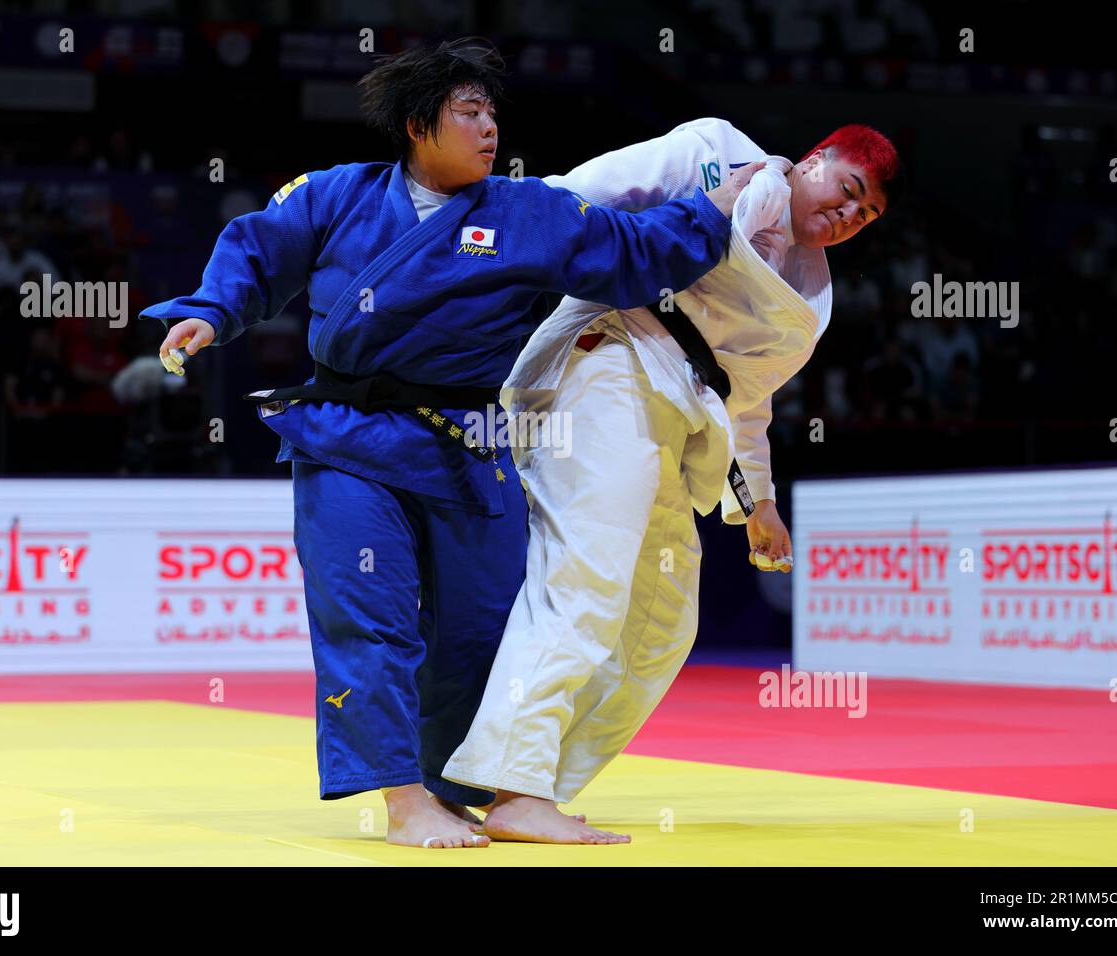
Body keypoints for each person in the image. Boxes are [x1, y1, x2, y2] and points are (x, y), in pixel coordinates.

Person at [140, 42, 753, 849]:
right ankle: (402, 800)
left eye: (493, 111)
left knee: (483, 627)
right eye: (469, 112)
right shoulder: (335, 195)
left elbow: (633, 253)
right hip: (350, 439)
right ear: (415, 125)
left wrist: (715, 209)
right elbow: (256, 251)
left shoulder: (528, 211)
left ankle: (456, 787)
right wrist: (213, 312)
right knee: (372, 617)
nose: (490, 126)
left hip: (471, 444)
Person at [443, 118, 903, 843]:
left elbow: (746, 400)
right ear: (813, 161)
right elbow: (582, 193)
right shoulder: (717, 155)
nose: (850, 215)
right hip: (611, 357)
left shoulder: (814, 301)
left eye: (866, 213)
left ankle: (534, 780)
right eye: (848, 189)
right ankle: (515, 785)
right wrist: (484, 250)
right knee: (586, 578)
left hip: (686, 412)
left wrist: (761, 503)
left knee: (662, 624)